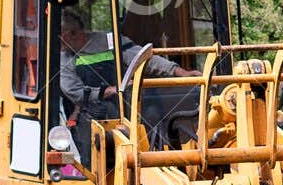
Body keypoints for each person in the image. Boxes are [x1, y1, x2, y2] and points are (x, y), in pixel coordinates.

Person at [59, 9, 195, 124]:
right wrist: (111, 90)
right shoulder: (64, 57)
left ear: (72, 33)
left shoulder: (110, 41)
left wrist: (179, 72)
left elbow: (142, 58)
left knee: (153, 113)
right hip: (91, 116)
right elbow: (75, 92)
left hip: (125, 108)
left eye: (60, 35)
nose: (57, 40)